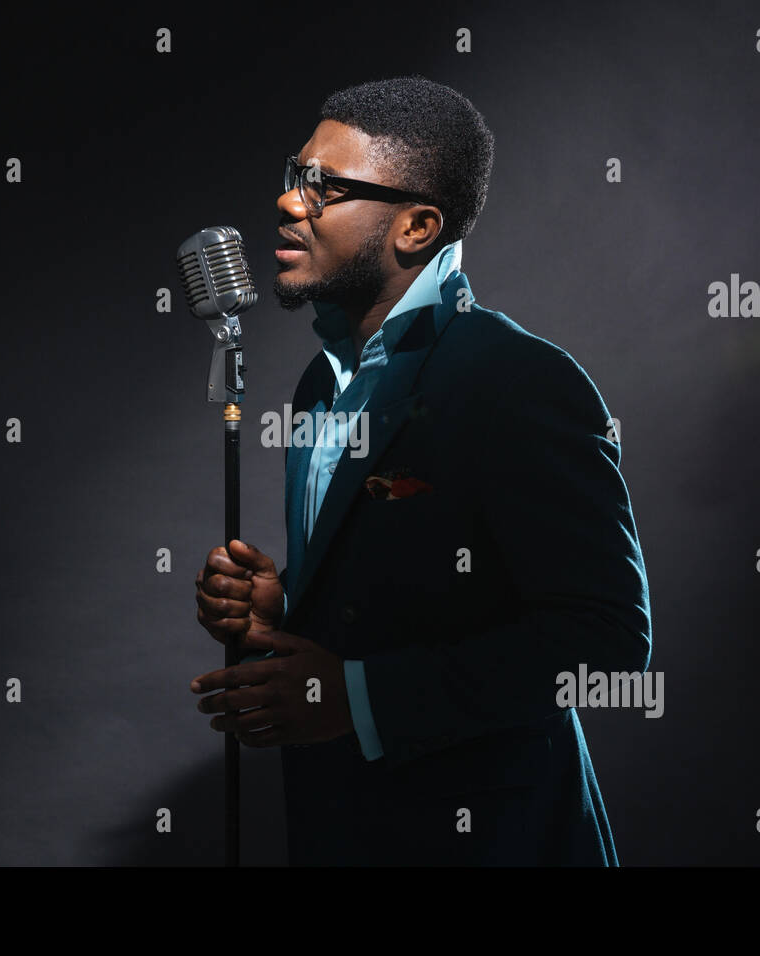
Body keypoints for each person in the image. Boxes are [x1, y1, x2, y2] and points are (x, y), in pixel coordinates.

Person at [191, 76, 652, 865]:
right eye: (294, 174)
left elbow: (605, 640)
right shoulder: (319, 382)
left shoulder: (517, 379)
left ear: (416, 226)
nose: (288, 201)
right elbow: (399, 595)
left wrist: (358, 699)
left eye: (323, 186)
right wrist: (288, 608)